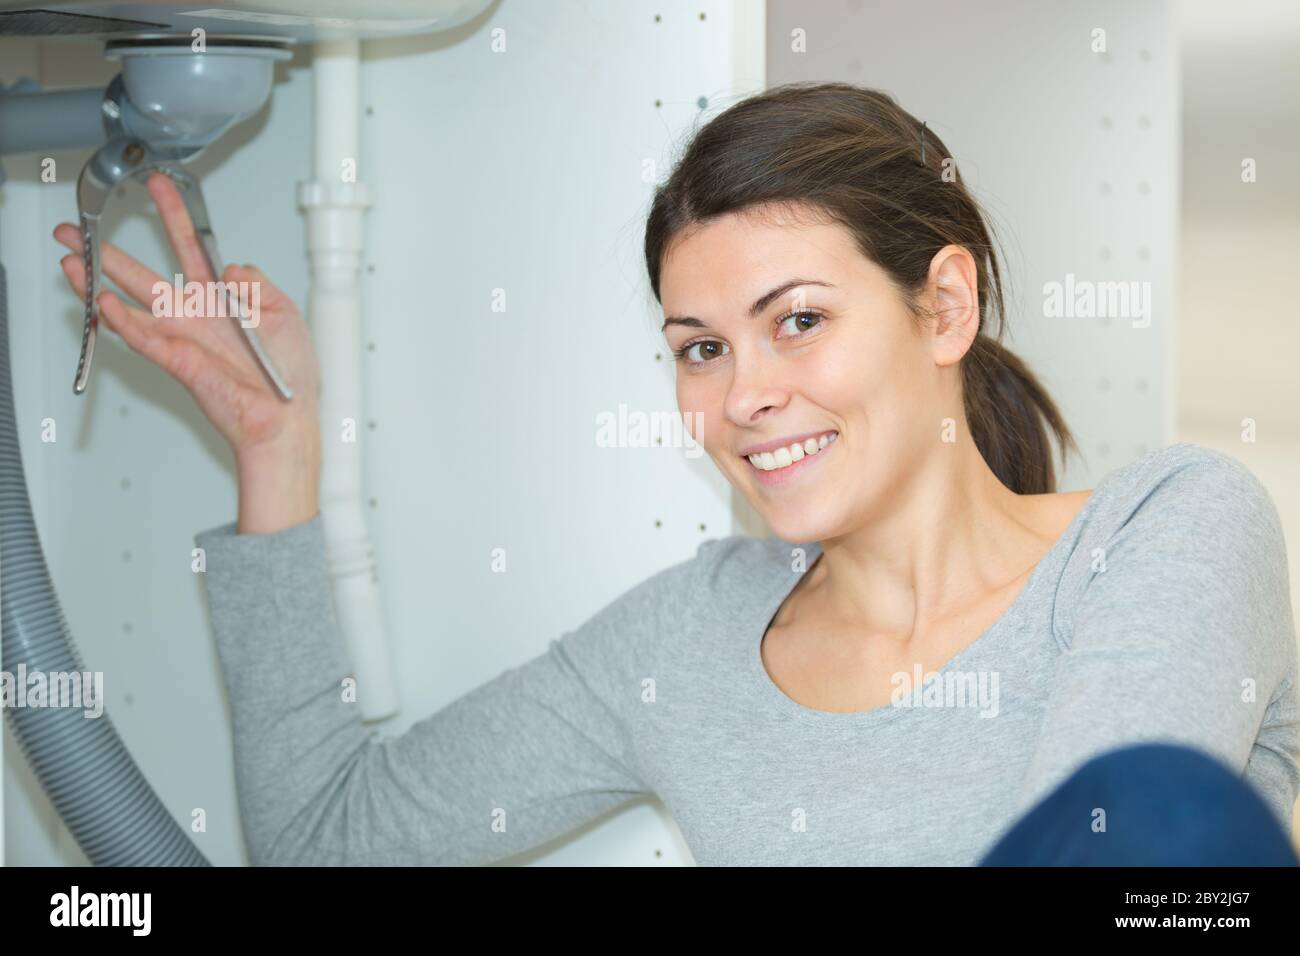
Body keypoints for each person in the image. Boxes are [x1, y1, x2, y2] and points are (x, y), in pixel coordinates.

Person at [53, 81, 1300, 866]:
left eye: (797, 319)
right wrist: (279, 451)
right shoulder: (690, 641)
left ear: (945, 306)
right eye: (699, 348)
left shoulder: (1167, 529)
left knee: (1157, 818)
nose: (741, 393)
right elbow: (326, 840)